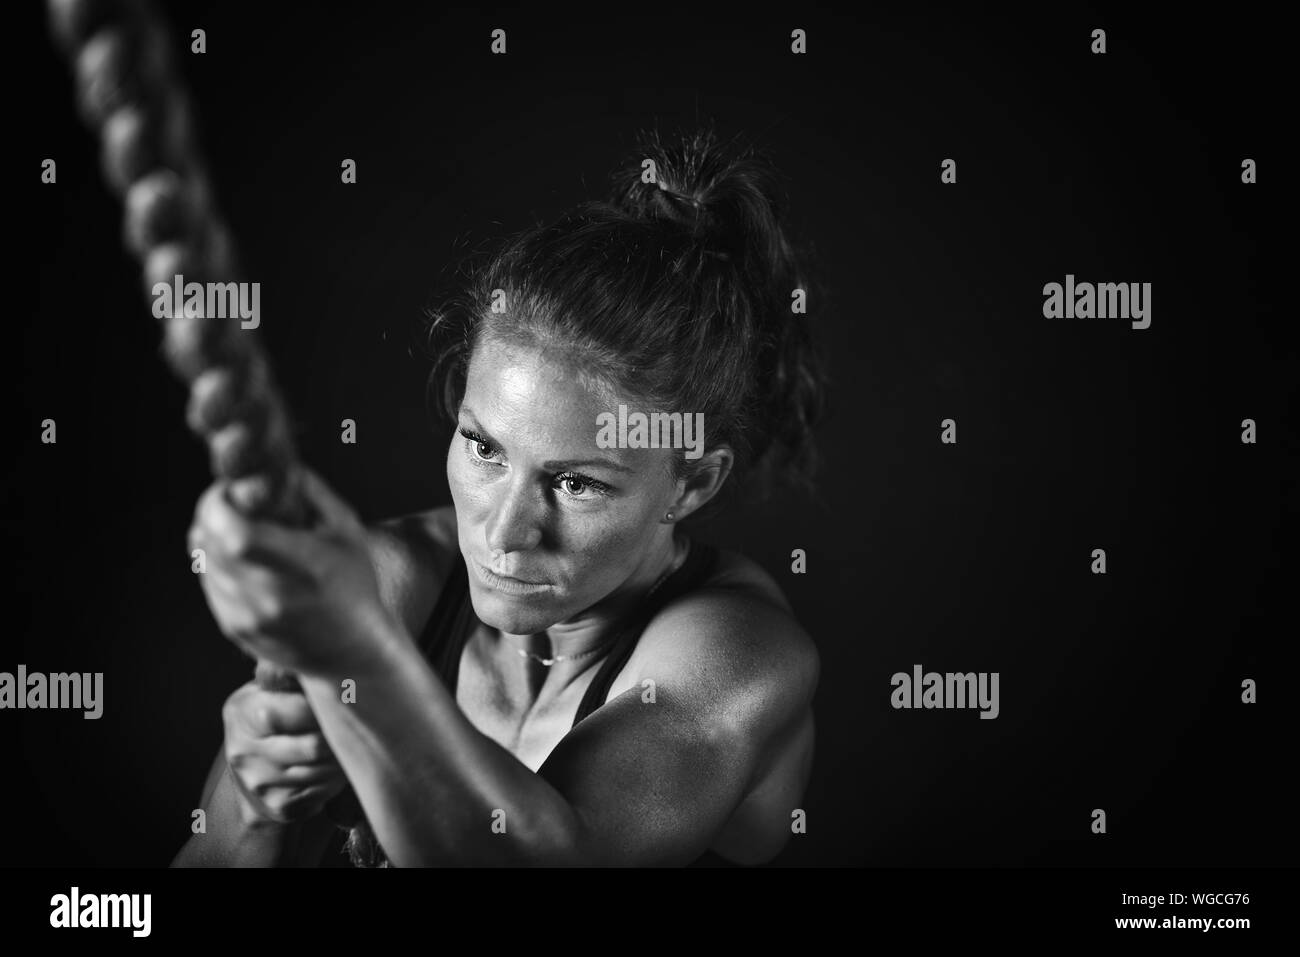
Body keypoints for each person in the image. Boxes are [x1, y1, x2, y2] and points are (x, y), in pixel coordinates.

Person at [172, 127, 828, 867]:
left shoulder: (740, 657)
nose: (505, 530)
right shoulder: (392, 583)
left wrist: (364, 664)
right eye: (485, 448)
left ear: (693, 482)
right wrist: (257, 814)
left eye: (575, 482)